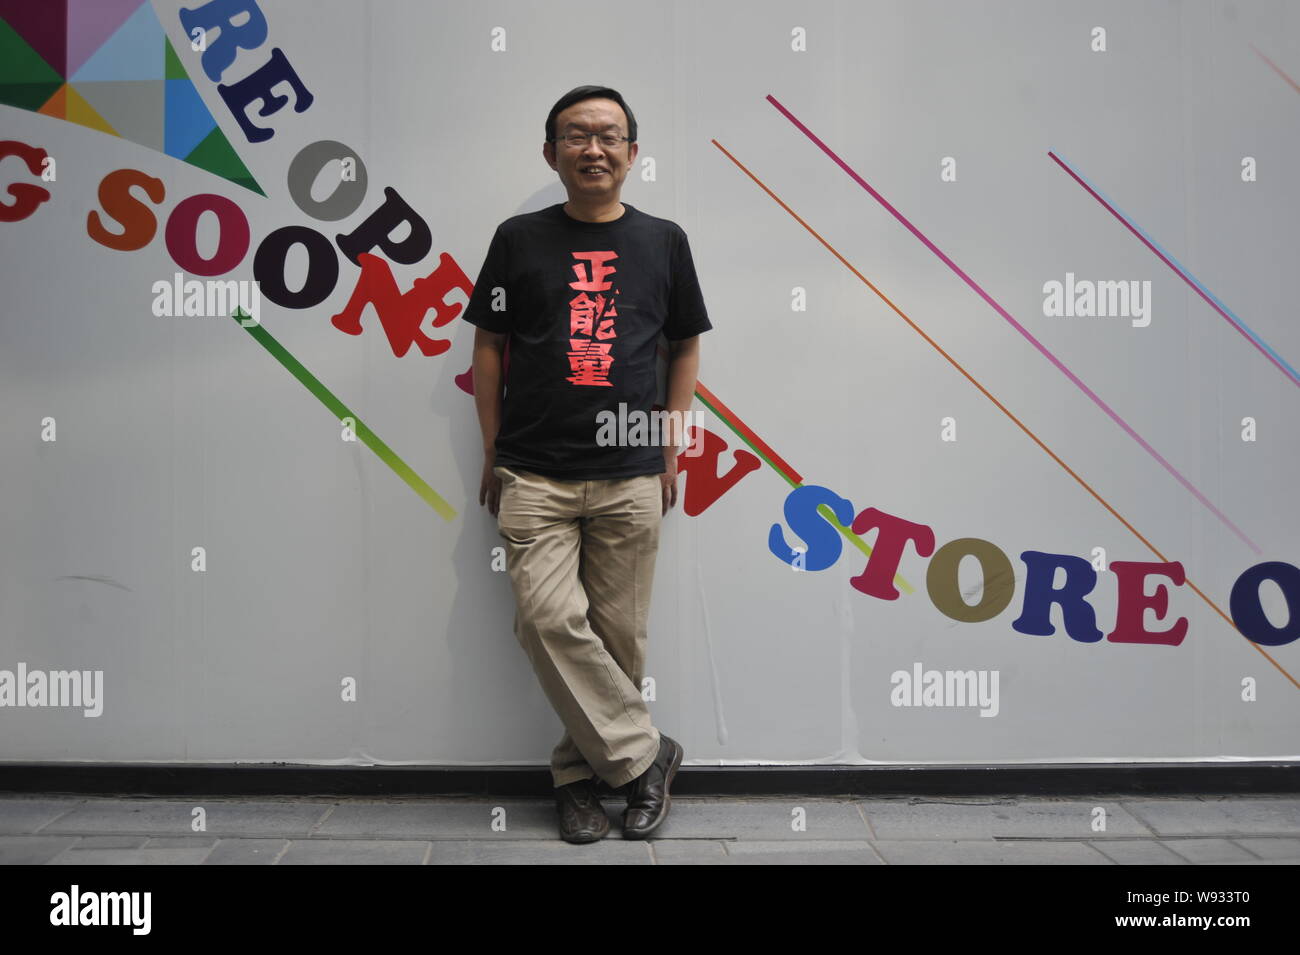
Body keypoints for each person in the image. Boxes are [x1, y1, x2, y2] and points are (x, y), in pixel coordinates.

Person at [461, 85, 711, 843]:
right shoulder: (517, 238)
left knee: (619, 638)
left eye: (609, 135)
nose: (593, 148)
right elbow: (488, 348)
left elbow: (686, 346)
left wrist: (674, 449)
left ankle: (582, 781)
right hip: (533, 471)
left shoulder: (663, 240)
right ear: (551, 152)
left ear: (633, 153)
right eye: (576, 135)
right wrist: (492, 449)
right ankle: (644, 755)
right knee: (546, 619)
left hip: (633, 471)